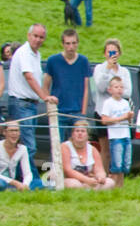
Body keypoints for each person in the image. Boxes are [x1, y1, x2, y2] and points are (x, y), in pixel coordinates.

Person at [7, 24, 50, 153]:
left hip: (30, 104)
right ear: (28, 35)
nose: (38, 40)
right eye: (35, 36)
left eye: (41, 37)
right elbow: (29, 77)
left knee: (23, 147)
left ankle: (22, 173)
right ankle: (30, 174)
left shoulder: (36, 54)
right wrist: (44, 97)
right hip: (22, 104)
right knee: (28, 147)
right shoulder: (25, 52)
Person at [44, 28, 91, 136]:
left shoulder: (83, 61)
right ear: (63, 44)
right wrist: (49, 106)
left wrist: (83, 113)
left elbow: (86, 89)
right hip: (58, 111)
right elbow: (45, 85)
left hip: (77, 112)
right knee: (57, 146)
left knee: (76, 147)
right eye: (68, 43)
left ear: (77, 43)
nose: (71, 47)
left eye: (74, 43)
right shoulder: (53, 61)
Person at [97, 75, 132, 187]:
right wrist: (122, 118)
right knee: (116, 165)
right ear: (110, 90)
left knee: (124, 165)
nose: (119, 89)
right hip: (115, 137)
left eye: (121, 87)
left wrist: (130, 117)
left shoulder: (126, 103)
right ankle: (114, 187)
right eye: (116, 87)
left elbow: (129, 122)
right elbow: (104, 120)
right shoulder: (108, 103)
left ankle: (120, 187)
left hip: (126, 135)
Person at [61, 120, 114, 189]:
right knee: (74, 184)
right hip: (69, 179)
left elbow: (99, 169)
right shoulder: (65, 146)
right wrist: (87, 180)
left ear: (87, 135)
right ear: (72, 134)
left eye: (83, 131)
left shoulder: (92, 149)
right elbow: (68, 171)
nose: (80, 133)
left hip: (89, 181)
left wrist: (100, 177)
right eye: (77, 131)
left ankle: (89, 190)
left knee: (110, 182)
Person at [0, 121, 40, 191]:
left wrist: (25, 184)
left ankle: (15, 190)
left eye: (16, 131)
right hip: (3, 180)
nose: (14, 133)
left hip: (15, 181)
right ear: (4, 132)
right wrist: (15, 183)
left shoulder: (22, 149)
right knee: (1, 184)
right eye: (11, 130)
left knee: (38, 183)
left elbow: (27, 173)